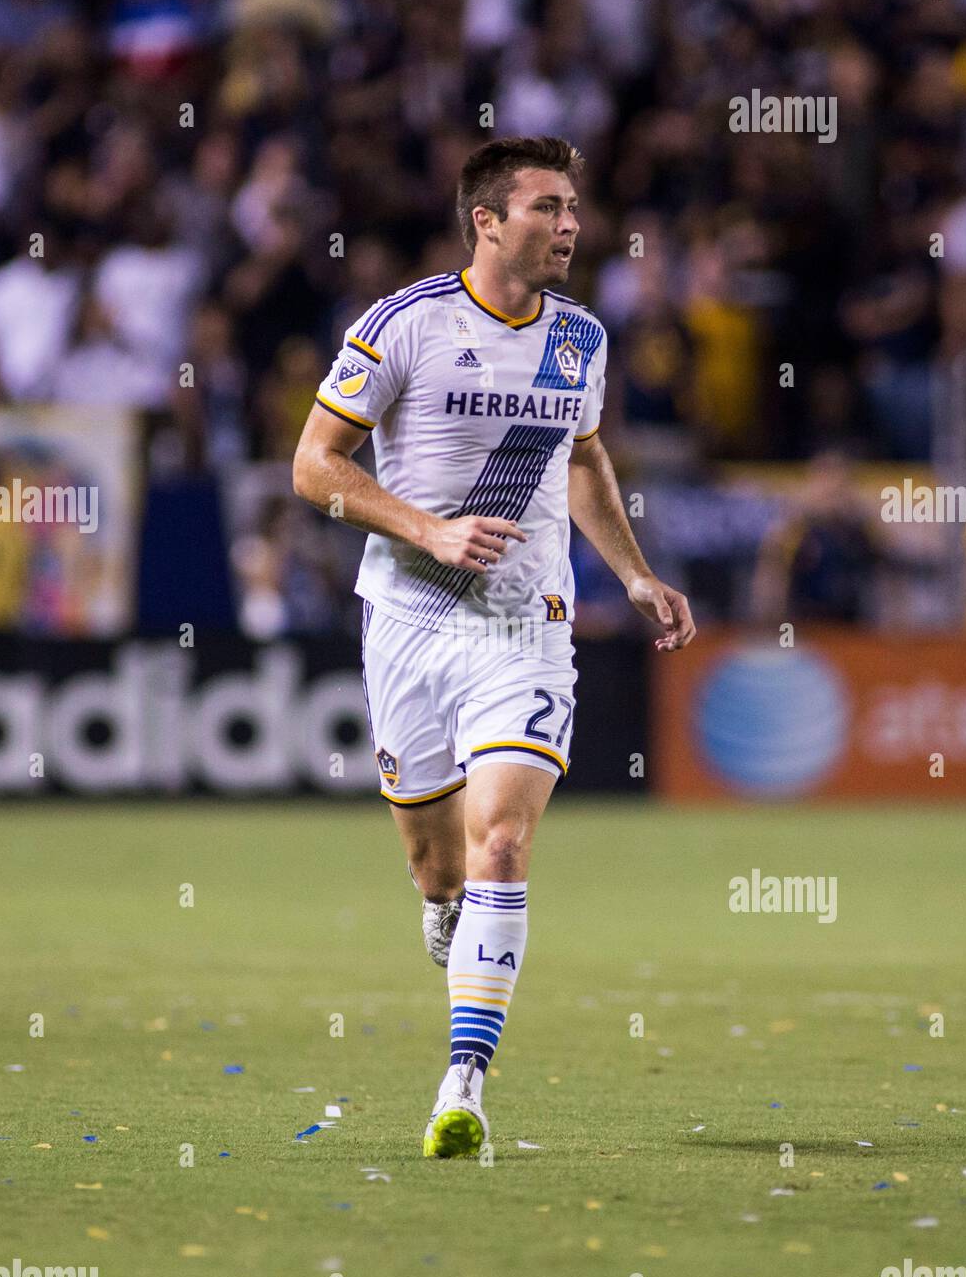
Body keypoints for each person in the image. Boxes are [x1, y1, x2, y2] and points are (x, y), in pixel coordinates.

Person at [292, 136, 695, 1159]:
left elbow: (584, 457)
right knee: (438, 872)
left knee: (503, 842)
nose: (570, 225)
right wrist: (427, 529)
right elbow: (312, 465)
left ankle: (462, 1078)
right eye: (548, 207)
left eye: (573, 207)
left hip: (526, 627)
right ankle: (444, 912)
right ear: (487, 220)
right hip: (409, 624)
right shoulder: (404, 326)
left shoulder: (582, 339)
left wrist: (634, 573)